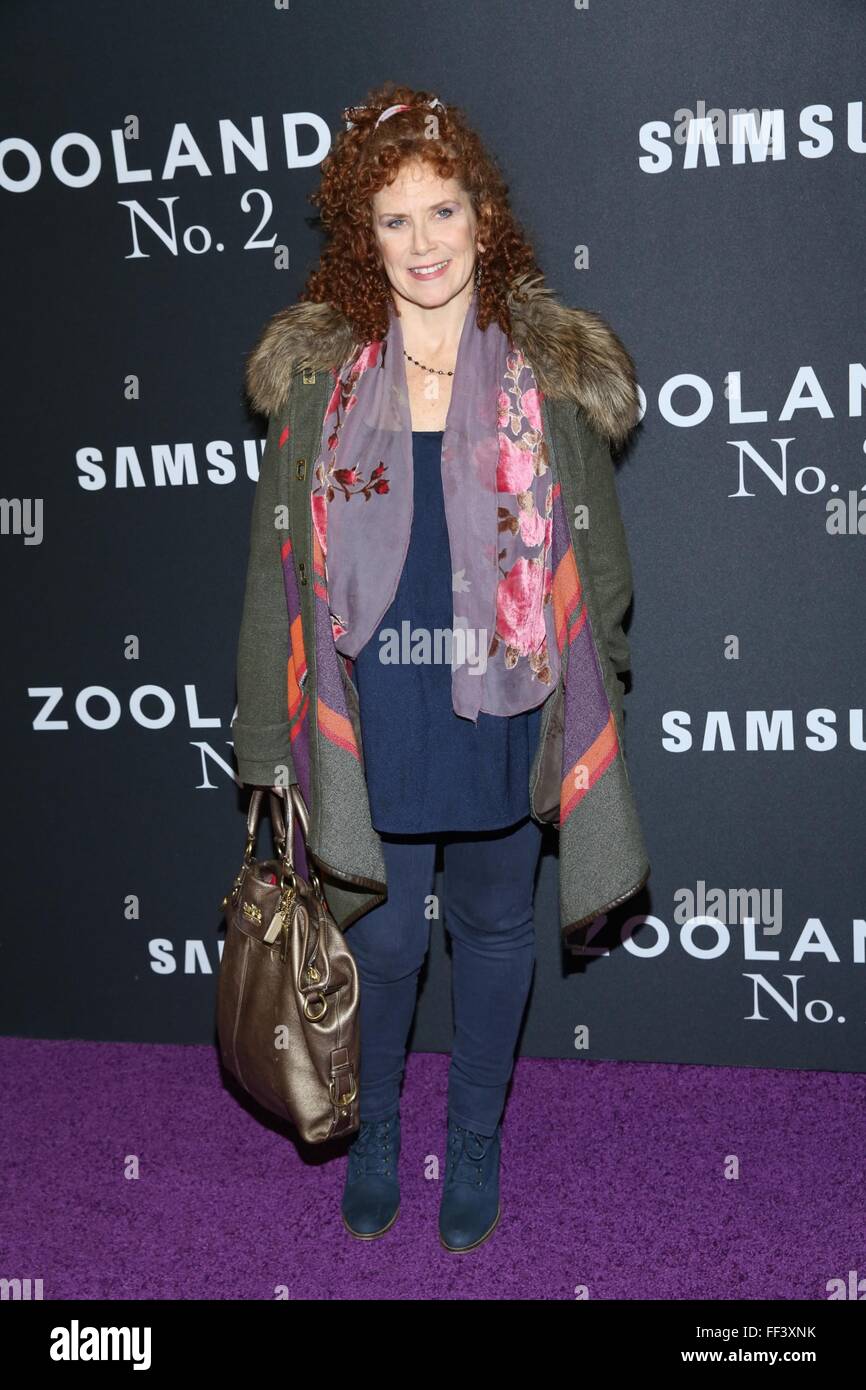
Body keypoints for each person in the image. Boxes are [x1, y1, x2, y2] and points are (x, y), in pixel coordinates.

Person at [234, 81, 650, 1253]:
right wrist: (265, 743)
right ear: (363, 238)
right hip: (371, 697)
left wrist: (585, 681)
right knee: (388, 940)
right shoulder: (321, 382)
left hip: (503, 694)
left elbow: (600, 562)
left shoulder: (544, 372)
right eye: (392, 219)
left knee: (494, 932)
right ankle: (374, 1132)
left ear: (483, 217)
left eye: (442, 211)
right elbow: (273, 573)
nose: (422, 242)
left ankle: (472, 1139)